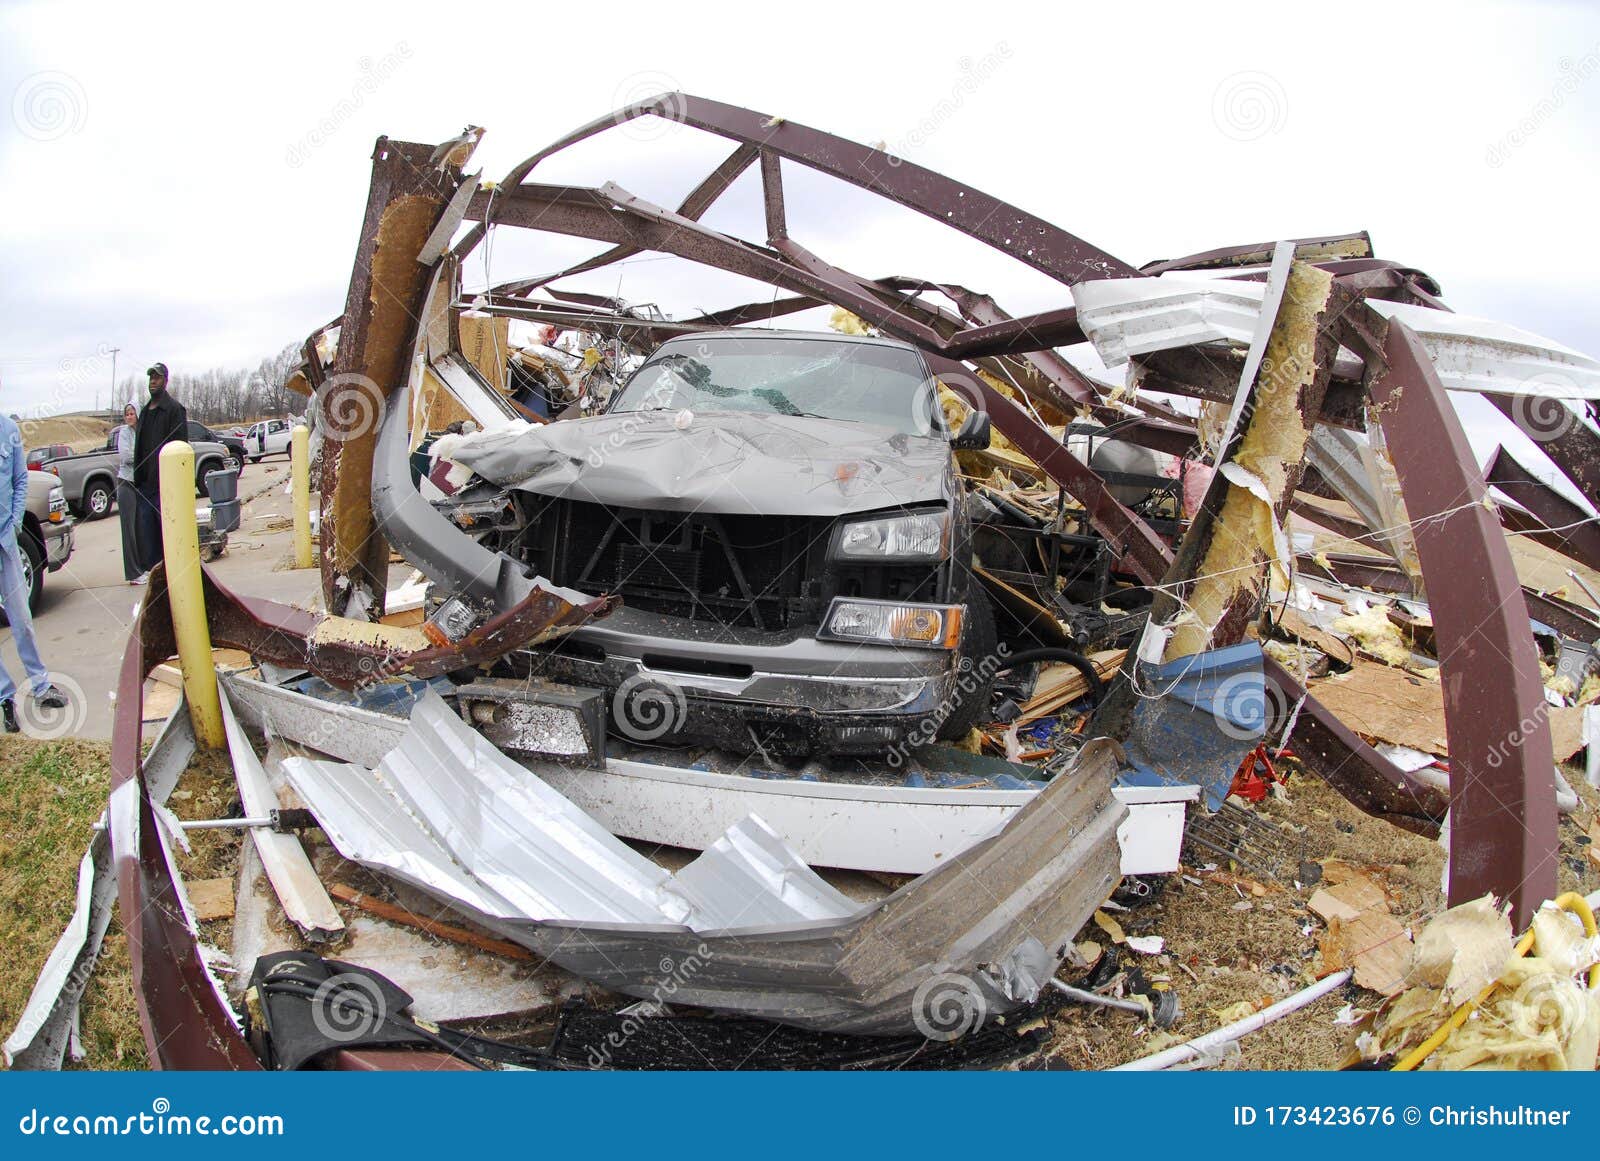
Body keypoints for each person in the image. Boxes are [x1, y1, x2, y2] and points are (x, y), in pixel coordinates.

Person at [0, 406, 69, 733]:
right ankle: (5, 697)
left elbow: (18, 479)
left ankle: (40, 685)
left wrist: (14, 523)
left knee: (22, 618)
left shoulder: (8, 431)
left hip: (6, 542)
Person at [131, 363, 187, 577]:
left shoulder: (174, 410)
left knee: (170, 540)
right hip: (145, 488)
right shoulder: (144, 412)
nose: (153, 381)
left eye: (157, 378)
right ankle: (157, 581)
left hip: (166, 488)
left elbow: (181, 449)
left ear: (165, 381)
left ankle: (175, 581)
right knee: (149, 541)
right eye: (151, 378)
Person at [115, 402, 143, 583]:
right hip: (126, 483)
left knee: (139, 528)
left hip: (139, 483)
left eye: (132, 413)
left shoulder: (141, 432)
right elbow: (125, 457)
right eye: (127, 414)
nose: (130, 416)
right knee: (129, 531)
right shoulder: (124, 433)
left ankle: (141, 569)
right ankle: (133, 574)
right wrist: (142, 455)